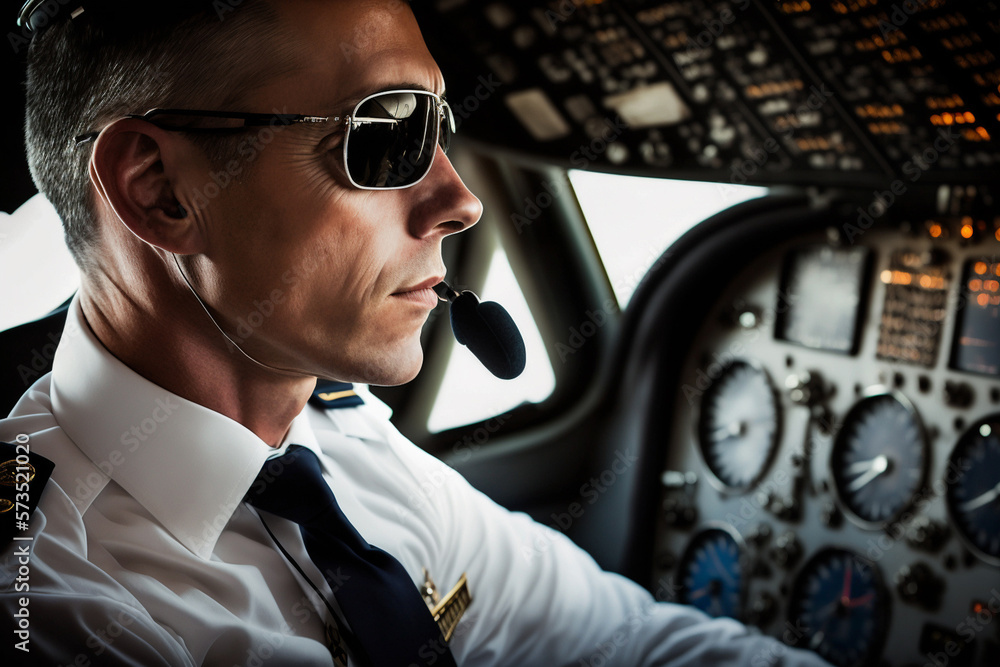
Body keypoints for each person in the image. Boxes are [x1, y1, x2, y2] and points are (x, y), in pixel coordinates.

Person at [0, 1, 831, 665]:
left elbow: (630, 639)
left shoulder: (340, 441)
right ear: (159, 190)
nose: (461, 201)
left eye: (439, 126)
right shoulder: (54, 601)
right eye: (388, 134)